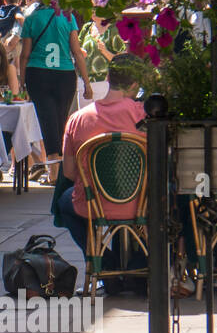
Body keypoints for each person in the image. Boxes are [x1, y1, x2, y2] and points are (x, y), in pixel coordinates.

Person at [56, 54, 148, 295]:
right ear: (135, 85)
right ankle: (139, 266)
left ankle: (105, 264)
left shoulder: (77, 119)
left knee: (64, 202)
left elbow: (68, 172)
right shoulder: (143, 115)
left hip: (93, 203)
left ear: (108, 78)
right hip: (141, 203)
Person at [20, 0, 93, 185]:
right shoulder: (68, 18)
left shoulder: (31, 18)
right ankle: (61, 170)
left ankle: (54, 170)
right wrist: (86, 82)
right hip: (64, 74)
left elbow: (25, 54)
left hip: (38, 73)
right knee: (61, 118)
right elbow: (76, 51)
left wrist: (21, 82)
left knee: (46, 119)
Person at [80, 14, 124, 103]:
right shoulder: (87, 27)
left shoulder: (112, 31)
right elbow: (77, 47)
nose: (93, 12)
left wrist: (105, 51)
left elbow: (121, 60)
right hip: (84, 81)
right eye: (92, 8)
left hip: (103, 82)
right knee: (85, 115)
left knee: (102, 115)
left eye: (96, 9)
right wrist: (80, 51)